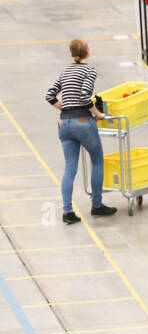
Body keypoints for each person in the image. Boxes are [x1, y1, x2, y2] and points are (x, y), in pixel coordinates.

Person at [46, 38, 116, 224]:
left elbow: (49, 94)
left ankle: (68, 211)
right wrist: (97, 113)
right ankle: (97, 205)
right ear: (87, 51)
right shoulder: (89, 70)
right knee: (97, 161)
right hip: (83, 121)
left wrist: (64, 108)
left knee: (70, 167)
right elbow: (85, 95)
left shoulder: (66, 71)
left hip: (65, 124)